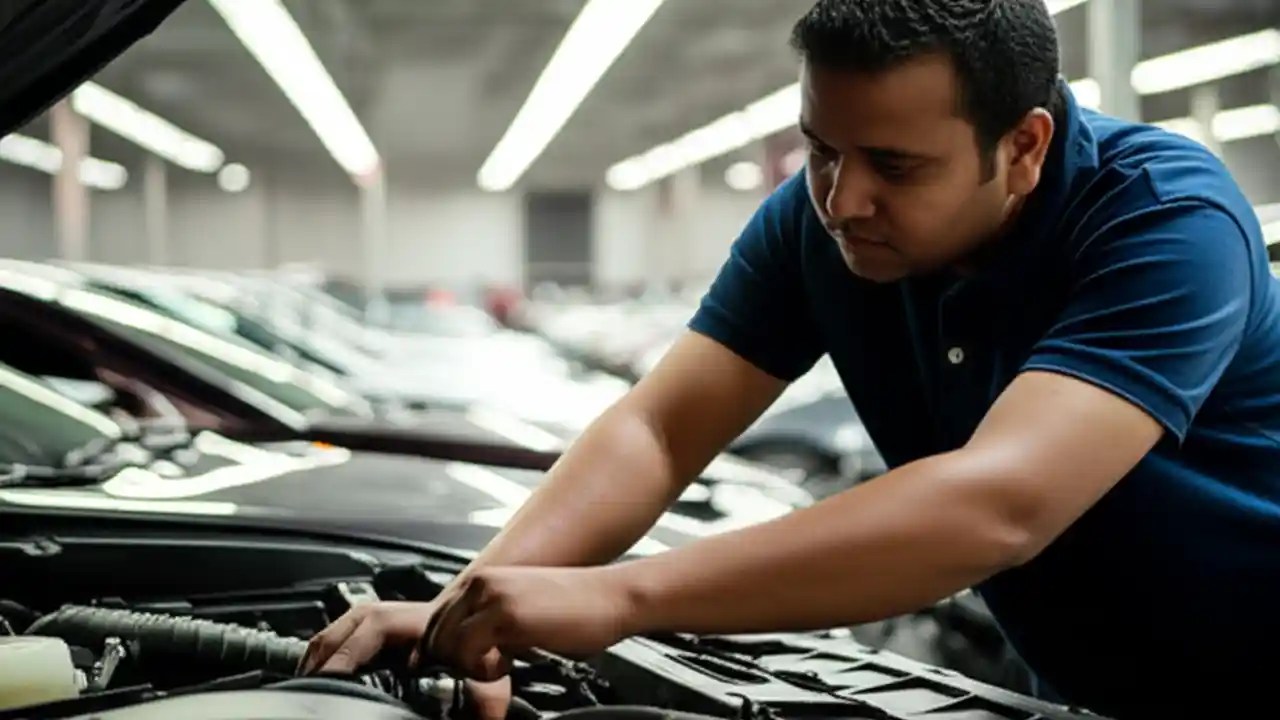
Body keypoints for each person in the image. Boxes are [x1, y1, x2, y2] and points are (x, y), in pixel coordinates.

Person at [301, 1, 1280, 717]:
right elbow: (658, 426)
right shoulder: (820, 230)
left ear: (1022, 147)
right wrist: (469, 607)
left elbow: (997, 502)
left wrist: (614, 595)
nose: (840, 200)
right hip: (1081, 687)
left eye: (894, 166)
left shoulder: (1160, 221)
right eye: (818, 149)